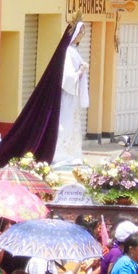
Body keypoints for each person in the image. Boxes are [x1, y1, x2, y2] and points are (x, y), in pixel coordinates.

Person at [52, 21, 89, 167]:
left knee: (74, 125)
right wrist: (80, 70)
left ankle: (73, 154)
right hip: (67, 95)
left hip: (73, 95)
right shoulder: (67, 51)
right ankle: (62, 155)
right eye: (80, 32)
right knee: (65, 124)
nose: (82, 35)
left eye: (83, 32)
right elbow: (67, 77)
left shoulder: (74, 50)